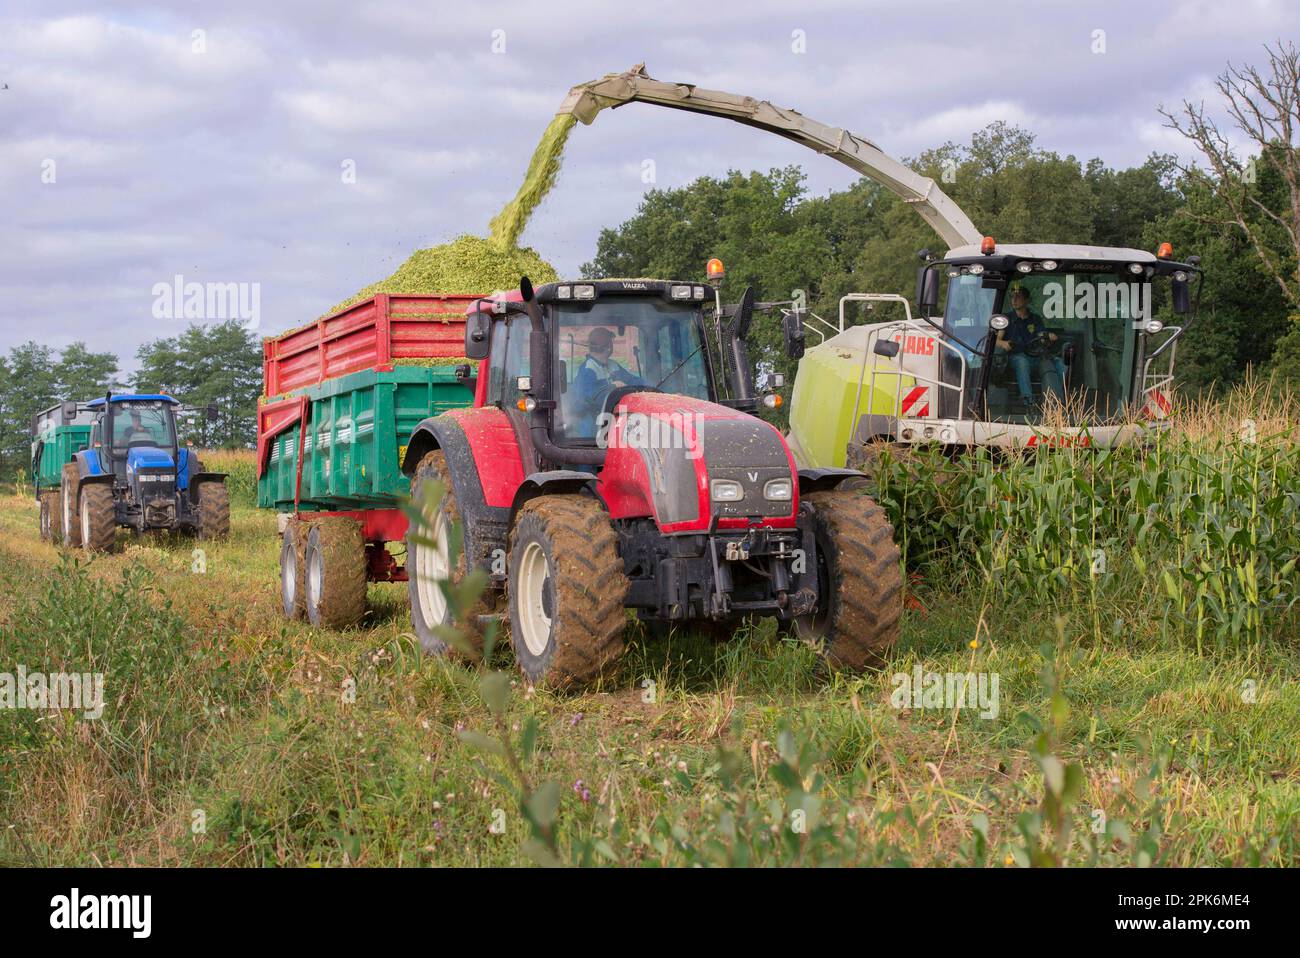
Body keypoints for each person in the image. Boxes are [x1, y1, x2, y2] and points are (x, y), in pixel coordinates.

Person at [994, 287, 1066, 406]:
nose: (1014, 299)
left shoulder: (1035, 319)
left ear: (1027, 300)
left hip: (1036, 356)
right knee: (1022, 362)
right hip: (1016, 356)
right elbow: (995, 340)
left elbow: (1041, 334)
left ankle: (1061, 402)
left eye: (1018, 297)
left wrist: (1049, 336)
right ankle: (1028, 402)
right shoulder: (1006, 319)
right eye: (1012, 297)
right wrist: (1003, 343)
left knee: (1059, 363)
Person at [572, 327, 644, 426]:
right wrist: (613, 387)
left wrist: (652, 388)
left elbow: (634, 381)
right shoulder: (587, 370)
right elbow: (586, 401)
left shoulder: (613, 366)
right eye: (611, 342)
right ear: (609, 346)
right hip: (592, 430)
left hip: (614, 422)